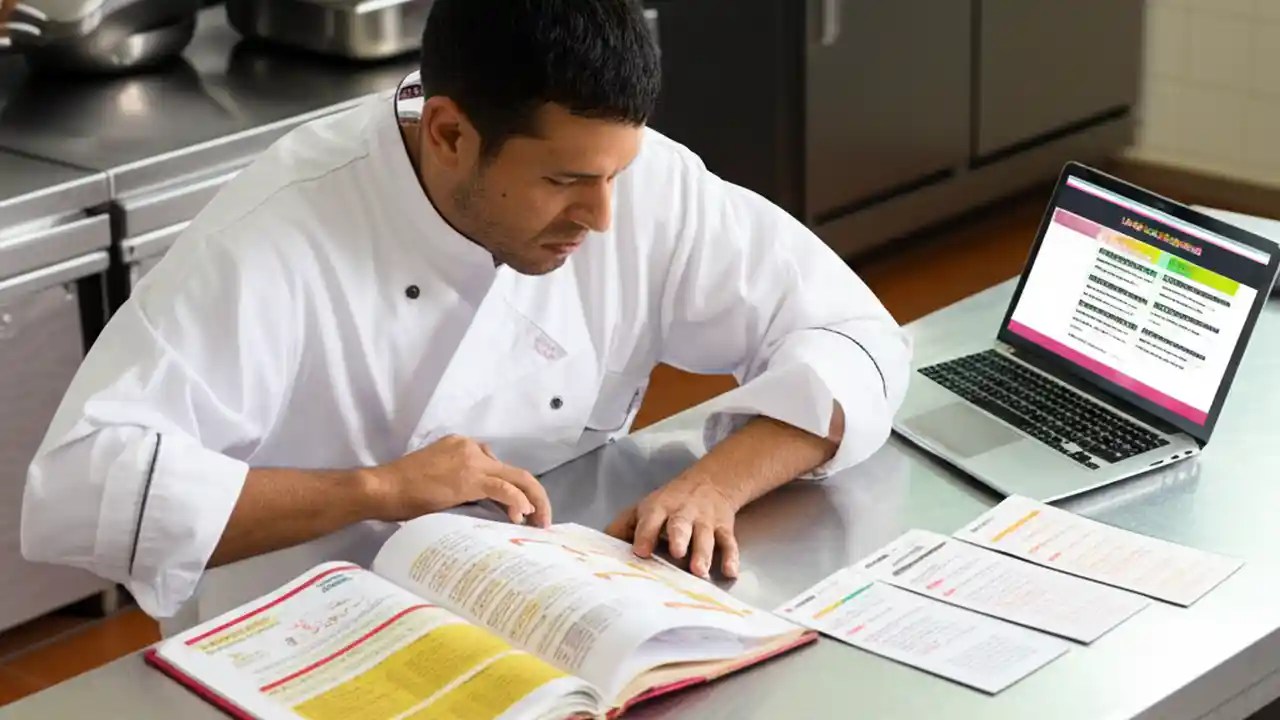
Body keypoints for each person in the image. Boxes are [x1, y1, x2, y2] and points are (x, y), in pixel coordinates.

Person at [21, 0, 910, 621]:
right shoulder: (281, 232)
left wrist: (713, 485)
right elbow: (80, 484)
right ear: (448, 133)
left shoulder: (634, 182)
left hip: (554, 597)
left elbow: (854, 338)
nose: (603, 217)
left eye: (614, 176)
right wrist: (378, 490)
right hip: (311, 630)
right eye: (565, 181)